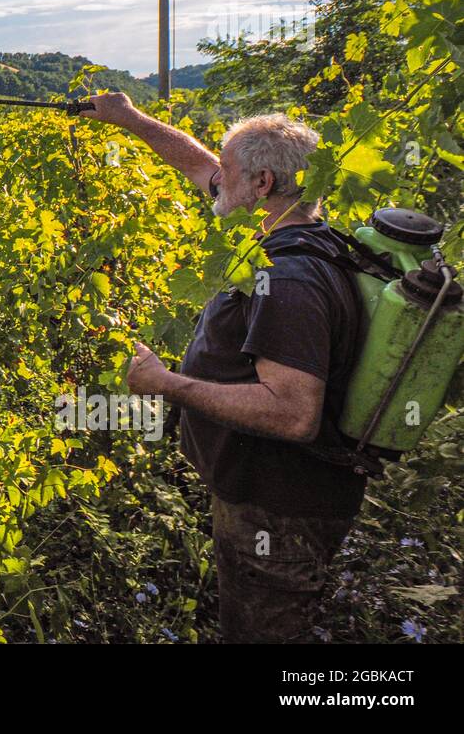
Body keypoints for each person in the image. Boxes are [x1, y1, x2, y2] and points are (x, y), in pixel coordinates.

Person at [82, 90, 365, 644]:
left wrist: (167, 384)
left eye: (229, 169)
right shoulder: (293, 231)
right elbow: (198, 165)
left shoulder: (289, 279)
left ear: (260, 184)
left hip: (279, 511)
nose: (217, 176)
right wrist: (128, 117)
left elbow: (292, 414)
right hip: (266, 495)